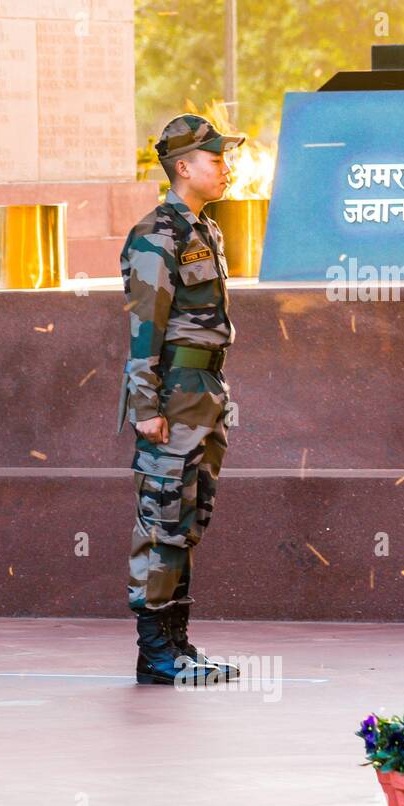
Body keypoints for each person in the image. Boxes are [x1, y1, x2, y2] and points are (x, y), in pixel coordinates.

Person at [118, 113, 245, 685]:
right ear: (184, 167)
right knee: (162, 519)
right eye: (217, 159)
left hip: (204, 393)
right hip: (171, 394)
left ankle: (178, 642)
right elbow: (145, 326)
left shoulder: (205, 230)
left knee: (189, 519)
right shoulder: (156, 234)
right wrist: (146, 407)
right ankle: (154, 653)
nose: (226, 168)